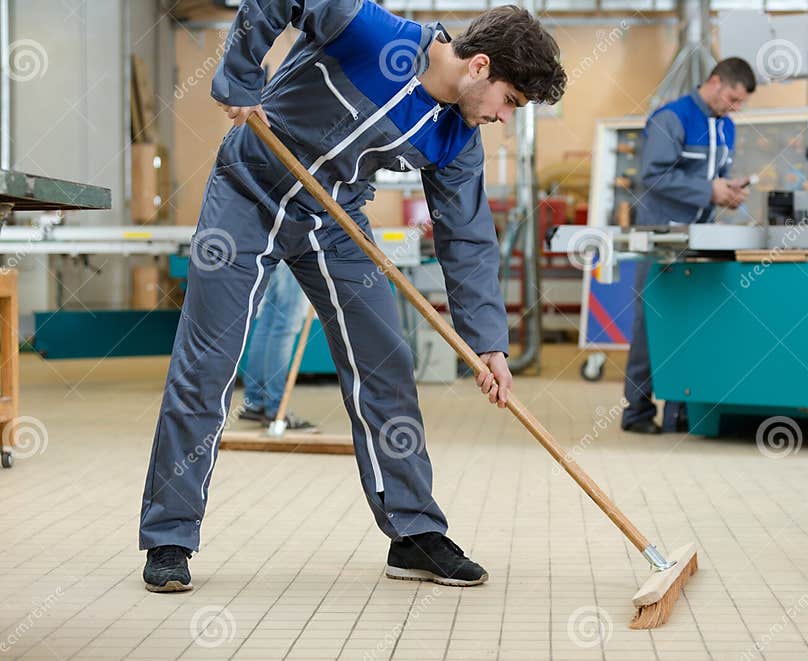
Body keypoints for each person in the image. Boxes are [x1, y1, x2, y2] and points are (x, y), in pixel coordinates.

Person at [140, 1, 565, 592]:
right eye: (510, 103)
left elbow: (466, 240)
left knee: (385, 364)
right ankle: (169, 536)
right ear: (480, 67)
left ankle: (414, 532)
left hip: (331, 217)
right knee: (206, 363)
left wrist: (488, 342)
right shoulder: (371, 32)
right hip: (248, 191)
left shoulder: (457, 138)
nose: (503, 118)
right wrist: (240, 73)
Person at [621, 58, 756, 434]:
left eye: (741, 102)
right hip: (663, 236)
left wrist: (727, 192)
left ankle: (679, 414)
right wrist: (707, 189)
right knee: (652, 323)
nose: (735, 107)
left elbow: (717, 178)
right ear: (714, 82)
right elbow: (653, 176)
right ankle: (636, 411)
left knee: (691, 323)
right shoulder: (671, 119)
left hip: (702, 239)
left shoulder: (726, 127)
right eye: (732, 97)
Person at [239, 261, 316, 431]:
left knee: (270, 314)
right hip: (295, 244)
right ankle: (275, 409)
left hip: (277, 245)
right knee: (285, 321)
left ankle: (255, 401)